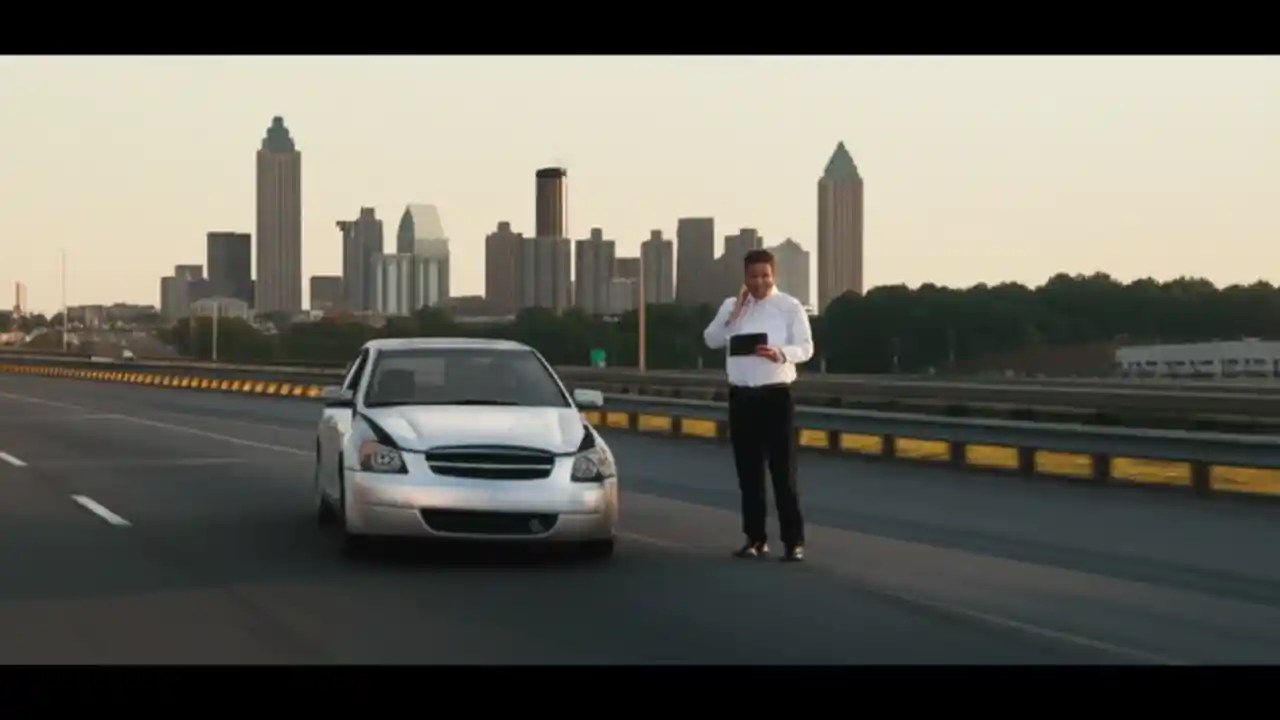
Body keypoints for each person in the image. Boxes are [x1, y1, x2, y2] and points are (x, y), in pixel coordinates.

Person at [702, 248, 814, 562]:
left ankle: (793, 541)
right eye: (753, 276)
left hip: (775, 396)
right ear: (745, 277)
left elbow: (806, 347)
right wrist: (734, 314)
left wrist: (780, 353)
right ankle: (755, 539)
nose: (759, 282)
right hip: (742, 397)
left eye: (765, 275)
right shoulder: (732, 305)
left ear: (773, 275)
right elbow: (711, 339)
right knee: (748, 473)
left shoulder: (789, 307)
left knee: (783, 472)